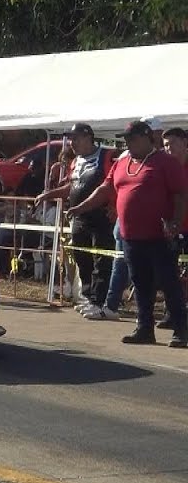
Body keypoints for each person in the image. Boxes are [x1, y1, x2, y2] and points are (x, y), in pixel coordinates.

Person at [68, 120, 187, 347]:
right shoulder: (123, 163)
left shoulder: (165, 162)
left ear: (147, 138)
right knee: (141, 283)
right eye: (126, 139)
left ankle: (181, 329)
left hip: (160, 237)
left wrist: (175, 222)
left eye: (132, 139)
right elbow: (105, 189)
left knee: (169, 282)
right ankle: (144, 329)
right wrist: (80, 207)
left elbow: (181, 194)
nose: (128, 143)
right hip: (131, 237)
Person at [35, 124, 117, 316]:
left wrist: (115, 205)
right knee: (82, 258)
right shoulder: (76, 161)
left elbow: (116, 183)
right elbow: (71, 188)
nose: (72, 143)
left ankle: (100, 300)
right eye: (71, 139)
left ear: (89, 137)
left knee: (101, 259)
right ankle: (88, 297)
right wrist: (47, 195)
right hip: (79, 217)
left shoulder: (107, 156)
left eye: (76, 138)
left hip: (101, 217)